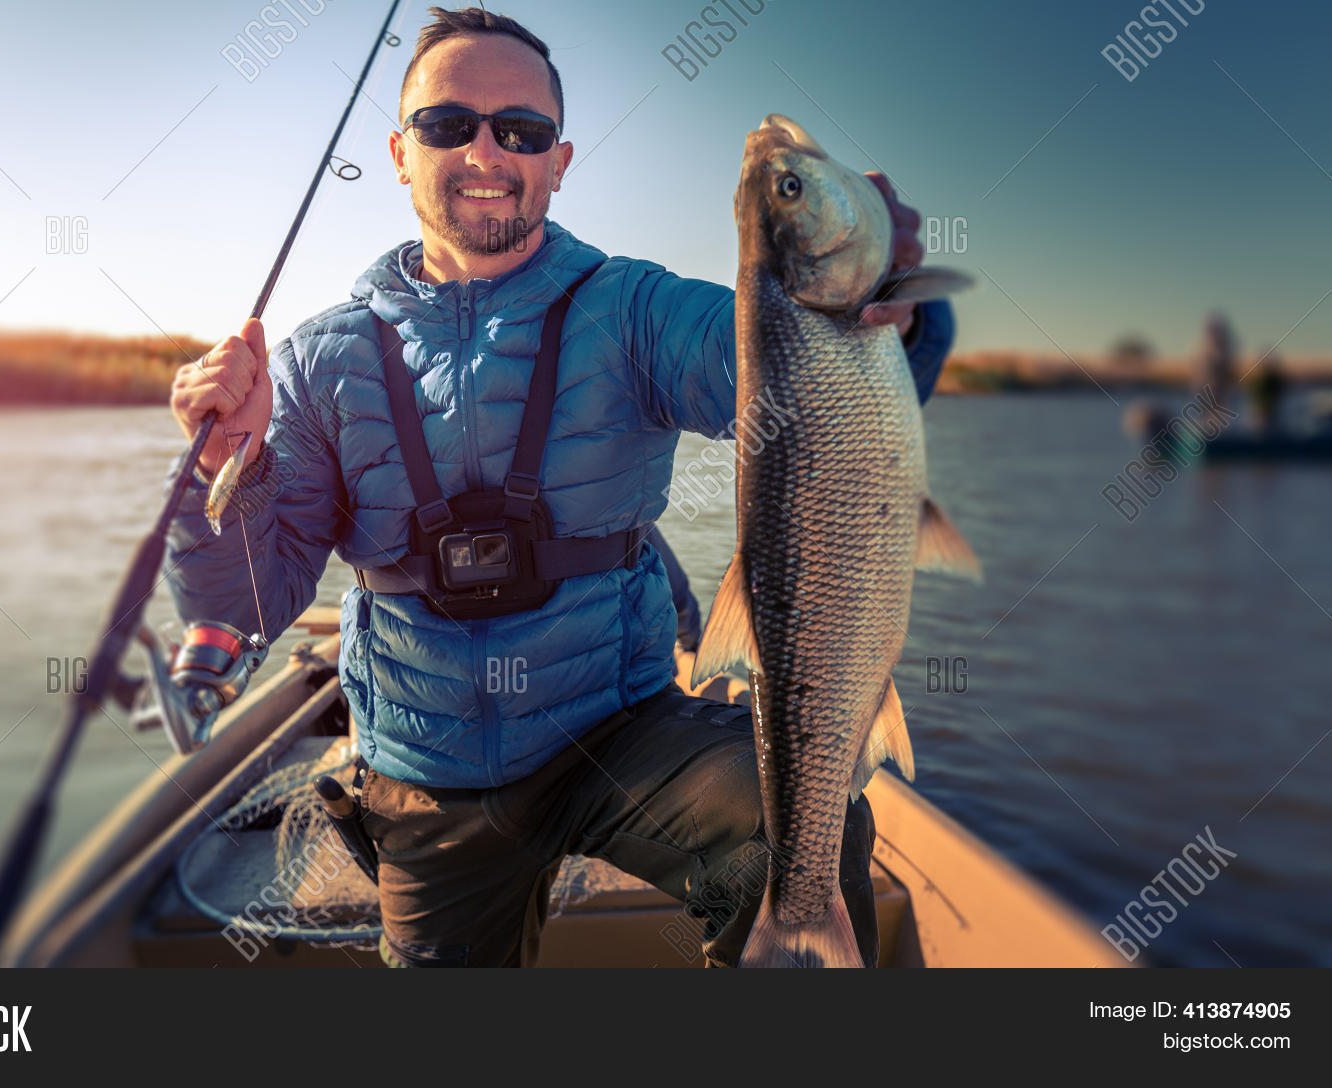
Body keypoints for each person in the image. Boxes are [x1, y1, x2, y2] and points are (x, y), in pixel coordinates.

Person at [165, 7, 955, 967]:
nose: (487, 150)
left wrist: (890, 315)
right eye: (449, 124)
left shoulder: (634, 306)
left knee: (789, 832)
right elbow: (240, 601)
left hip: (619, 733)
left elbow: (781, 370)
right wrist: (223, 473)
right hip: (422, 772)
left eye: (521, 130)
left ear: (560, 159)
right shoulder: (318, 359)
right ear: (400, 151)